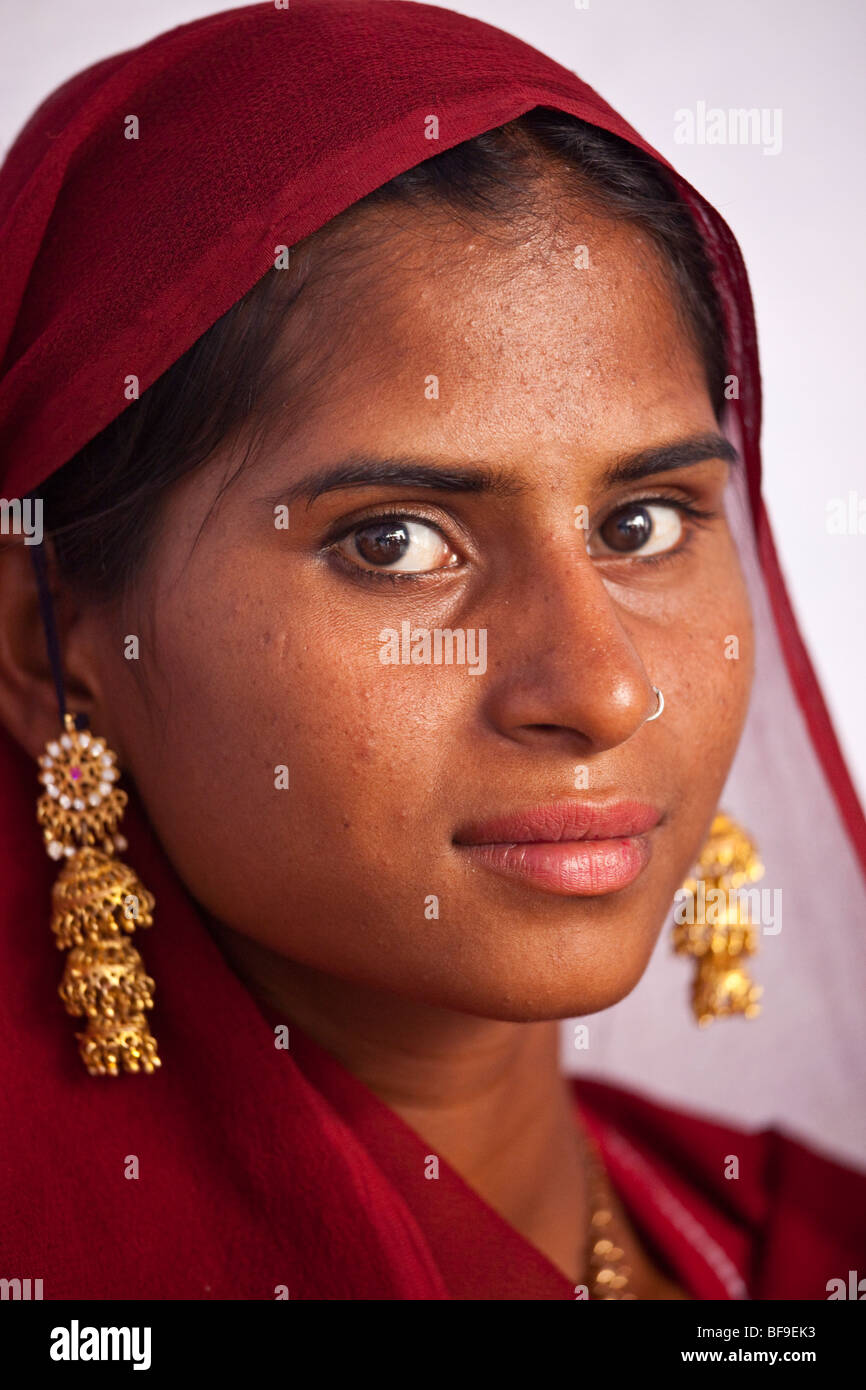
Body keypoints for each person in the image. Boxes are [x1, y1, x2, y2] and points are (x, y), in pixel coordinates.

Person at [0, 0, 863, 1301]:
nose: (601, 686)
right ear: (48, 645)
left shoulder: (800, 1253)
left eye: (640, 521)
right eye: (394, 543)